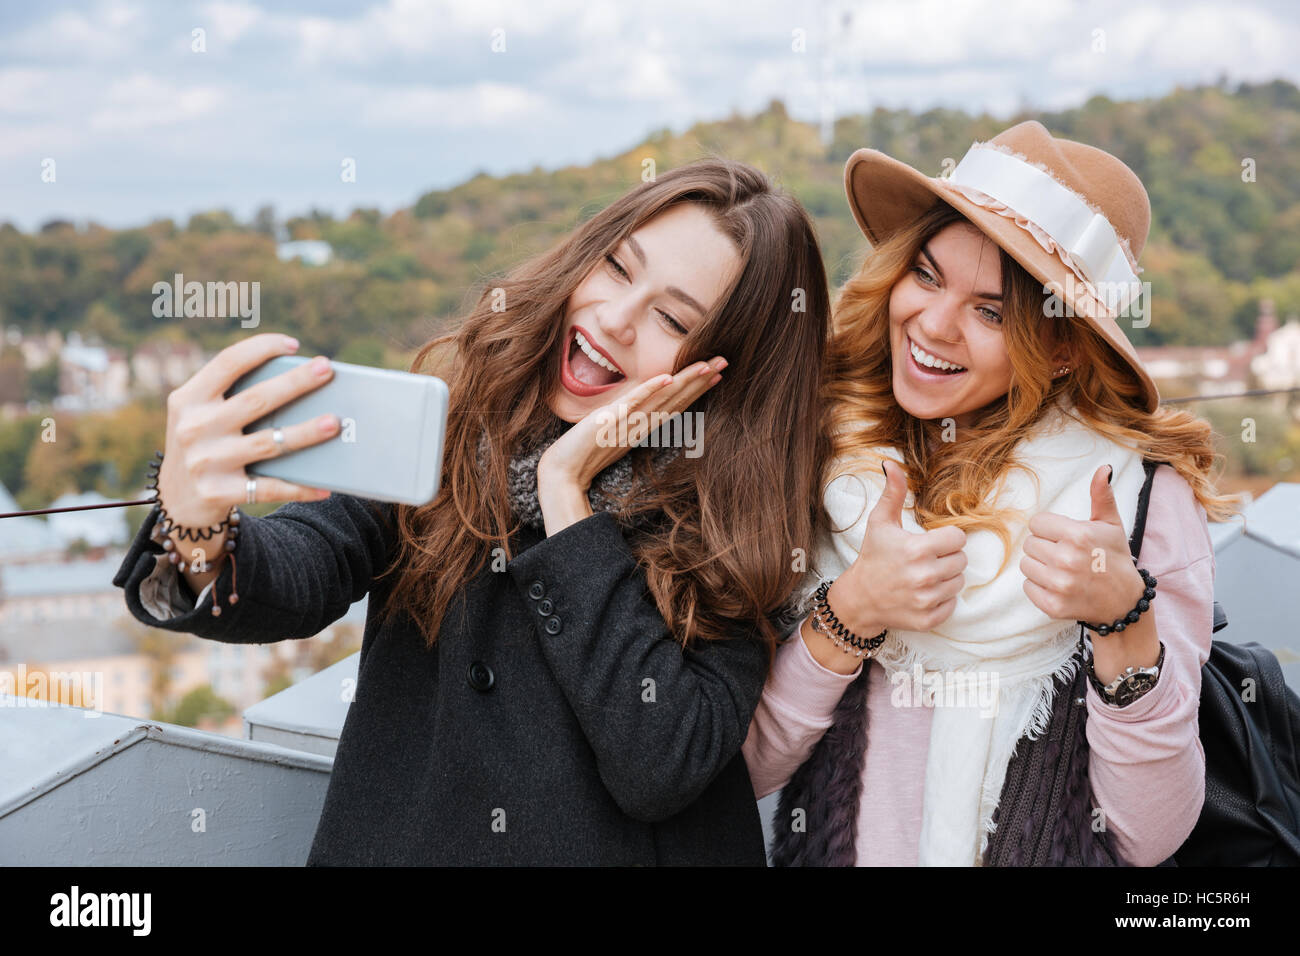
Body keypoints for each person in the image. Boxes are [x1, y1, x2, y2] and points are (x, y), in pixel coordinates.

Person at [113, 158, 831, 865]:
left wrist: (566, 496)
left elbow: (662, 762)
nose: (613, 319)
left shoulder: (733, 527)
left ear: (726, 376)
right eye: (615, 266)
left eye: (672, 317)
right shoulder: (457, 429)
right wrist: (195, 525)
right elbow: (306, 566)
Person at [742, 121, 1242, 866]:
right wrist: (852, 612)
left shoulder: (1134, 501)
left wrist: (1120, 621)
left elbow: (1148, 834)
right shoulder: (819, 456)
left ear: (1067, 350)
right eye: (928, 275)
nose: (933, 325)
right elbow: (748, 766)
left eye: (991, 311)